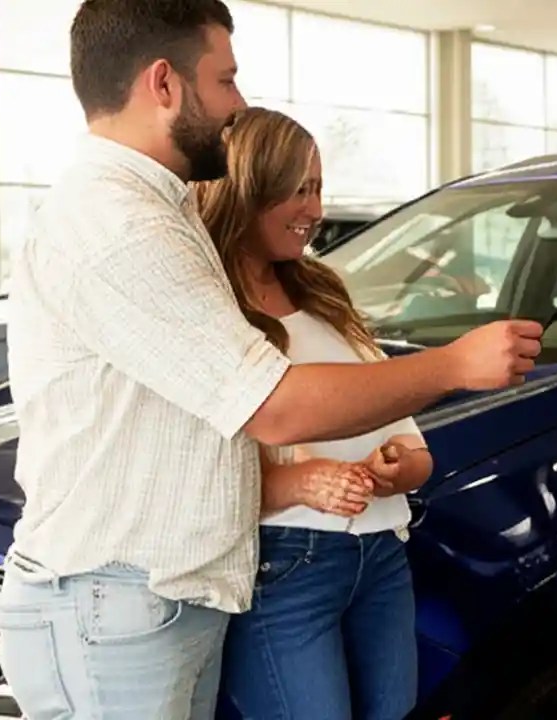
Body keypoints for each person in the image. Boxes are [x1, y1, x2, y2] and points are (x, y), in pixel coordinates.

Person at [0, 3, 541, 719]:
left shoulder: (163, 212)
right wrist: (454, 366)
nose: (238, 104)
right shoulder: (119, 225)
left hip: (158, 596)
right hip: (119, 600)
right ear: (164, 84)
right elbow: (274, 403)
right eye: (225, 79)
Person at [191, 106, 429, 720]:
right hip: (283, 562)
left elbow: (404, 429)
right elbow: (183, 473)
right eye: (299, 190)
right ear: (247, 190)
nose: (316, 211)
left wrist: (399, 466)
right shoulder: (204, 309)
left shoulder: (322, 292)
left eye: (318, 188)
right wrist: (298, 482)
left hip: (381, 551)